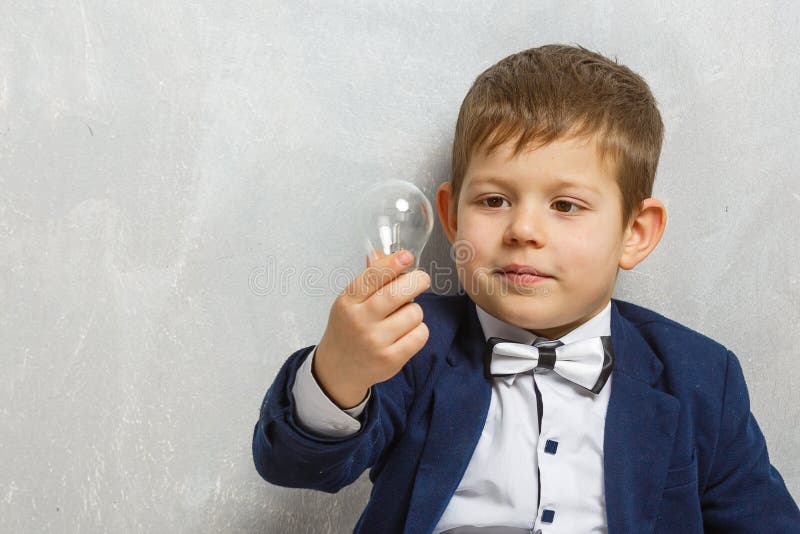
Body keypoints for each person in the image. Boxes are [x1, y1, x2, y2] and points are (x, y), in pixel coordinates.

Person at [252, 44, 800, 533]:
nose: (523, 230)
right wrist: (340, 373)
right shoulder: (414, 342)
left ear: (634, 233)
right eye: (494, 200)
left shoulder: (701, 376)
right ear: (451, 216)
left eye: (565, 205)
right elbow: (296, 467)